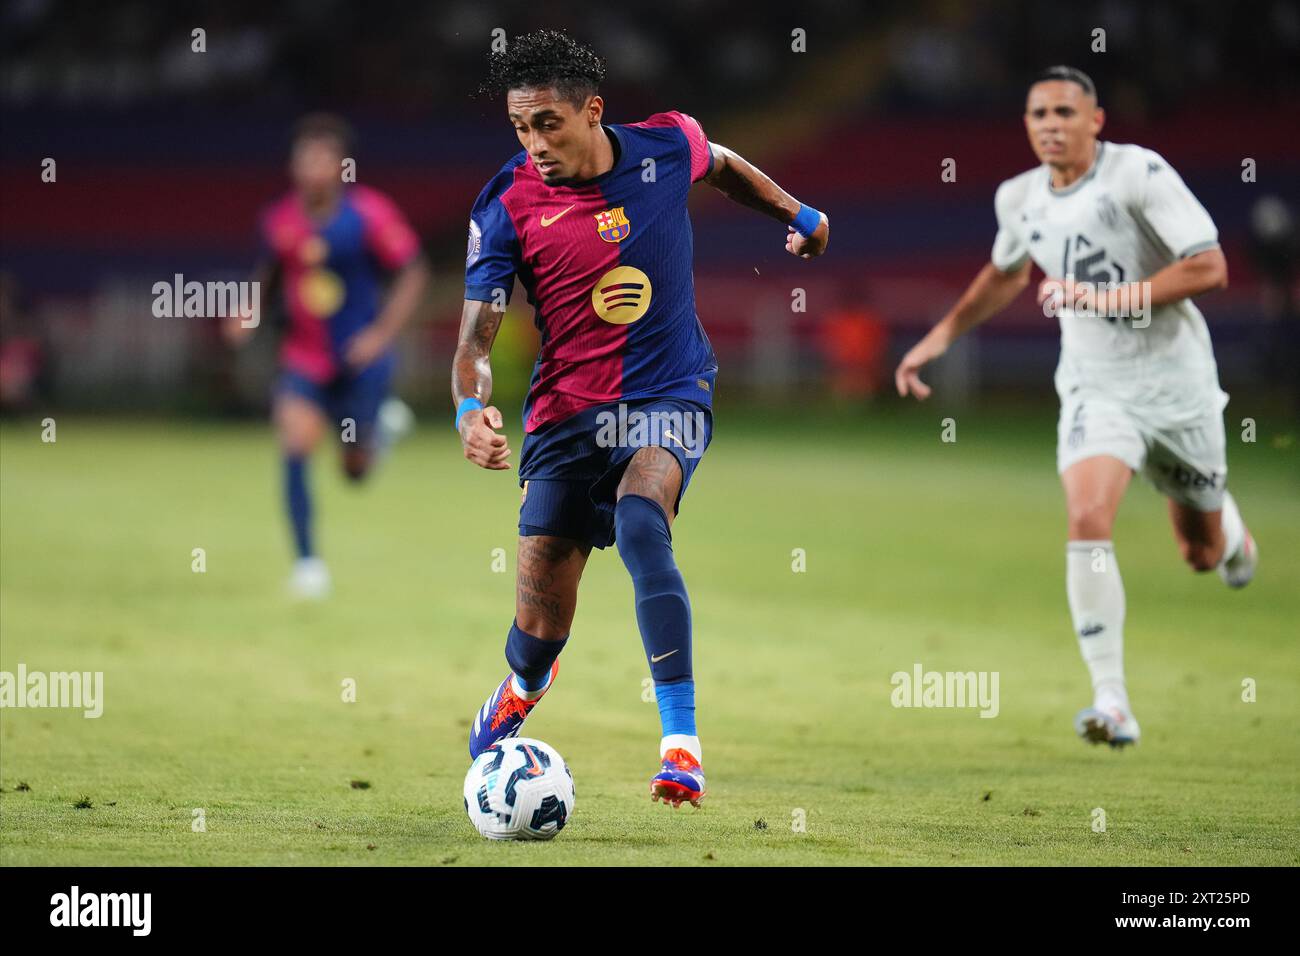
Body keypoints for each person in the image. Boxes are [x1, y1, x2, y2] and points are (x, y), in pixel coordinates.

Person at [454, 30, 829, 806]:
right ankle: (526, 683)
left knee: (640, 519)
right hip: (564, 415)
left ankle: (680, 746)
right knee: (538, 627)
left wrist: (798, 212)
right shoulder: (507, 204)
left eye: (549, 123)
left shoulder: (666, 146)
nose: (535, 143)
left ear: (593, 111)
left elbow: (722, 164)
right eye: (520, 128)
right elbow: (475, 339)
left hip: (671, 390)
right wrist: (470, 405)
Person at [895, 66, 1257, 748]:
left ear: (1096, 120)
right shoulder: (1019, 198)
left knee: (1200, 555)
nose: (1051, 125)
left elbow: (1210, 266)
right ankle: (1112, 702)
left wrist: (1107, 298)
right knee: (1088, 515)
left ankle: (1230, 530)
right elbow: (1005, 273)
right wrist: (938, 338)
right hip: (1097, 388)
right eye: (1038, 114)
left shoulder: (1138, 174)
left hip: (1178, 388)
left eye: (1065, 112)